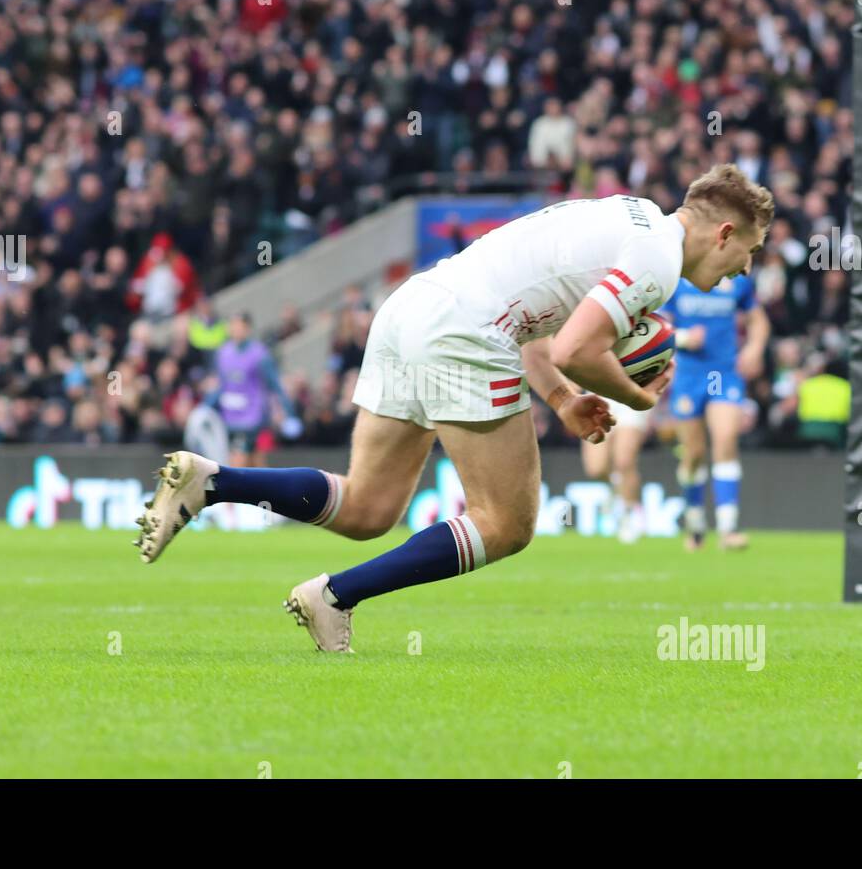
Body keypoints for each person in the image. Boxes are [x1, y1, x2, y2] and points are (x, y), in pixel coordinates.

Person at [136, 164, 772, 652]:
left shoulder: (629, 215)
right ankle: (334, 594)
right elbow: (579, 347)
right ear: (723, 232)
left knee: (367, 508)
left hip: (415, 305)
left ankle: (212, 481)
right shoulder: (658, 263)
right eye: (750, 251)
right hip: (466, 331)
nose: (745, 270)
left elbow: (543, 328)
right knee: (507, 523)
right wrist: (634, 394)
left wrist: (559, 398)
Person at [660, 270, 771, 551]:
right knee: (693, 453)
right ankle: (696, 522)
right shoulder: (676, 281)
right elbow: (656, 326)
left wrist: (754, 349)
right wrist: (683, 337)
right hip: (688, 374)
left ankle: (728, 528)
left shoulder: (738, 281)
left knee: (726, 439)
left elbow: (758, 320)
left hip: (721, 373)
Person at [206, 313, 298, 468]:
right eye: (232, 326)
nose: (235, 330)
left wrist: (289, 413)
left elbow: (274, 384)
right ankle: (266, 490)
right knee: (256, 460)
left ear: (248, 329)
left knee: (238, 462)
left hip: (252, 418)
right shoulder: (223, 353)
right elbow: (221, 386)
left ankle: (237, 491)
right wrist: (206, 406)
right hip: (229, 418)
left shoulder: (260, 354)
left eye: (239, 326)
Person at [579, 395, 651, 543]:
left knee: (624, 461)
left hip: (630, 392)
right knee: (596, 468)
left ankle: (628, 516)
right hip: (597, 392)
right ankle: (617, 491)